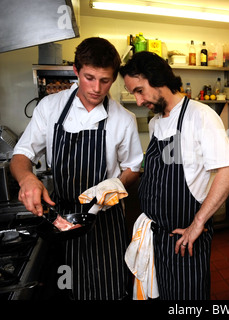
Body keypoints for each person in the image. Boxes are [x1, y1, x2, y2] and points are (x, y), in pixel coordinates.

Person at [10, 37, 143, 300]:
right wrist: (26, 178)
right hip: (62, 218)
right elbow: (22, 154)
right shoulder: (50, 108)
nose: (96, 88)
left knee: (110, 289)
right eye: (89, 78)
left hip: (105, 218)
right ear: (76, 70)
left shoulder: (123, 119)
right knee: (68, 290)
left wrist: (115, 184)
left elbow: (133, 167)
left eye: (105, 81)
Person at [119, 51, 229, 300]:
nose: (138, 101)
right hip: (156, 237)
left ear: (156, 78)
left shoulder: (200, 115)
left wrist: (198, 224)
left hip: (185, 240)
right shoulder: (155, 123)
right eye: (134, 94)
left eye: (139, 90)